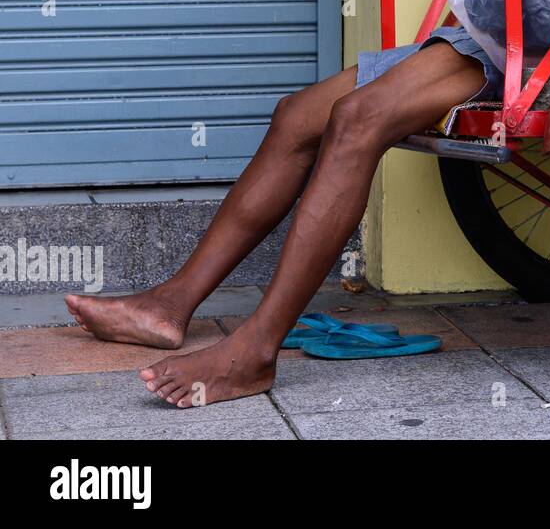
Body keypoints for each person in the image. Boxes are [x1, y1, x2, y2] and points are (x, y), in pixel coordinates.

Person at [64, 26, 503, 408]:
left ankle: (256, 349)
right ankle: (169, 306)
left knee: (356, 118)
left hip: (541, 44)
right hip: (485, 34)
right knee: (295, 114)